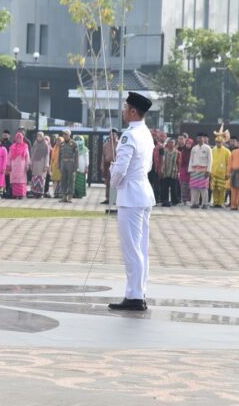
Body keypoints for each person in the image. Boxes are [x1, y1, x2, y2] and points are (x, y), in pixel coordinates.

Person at [108, 92, 156, 312]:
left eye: (126, 107)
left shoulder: (129, 136)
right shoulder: (146, 133)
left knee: (132, 249)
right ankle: (139, 291)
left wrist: (113, 180)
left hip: (131, 195)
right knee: (141, 248)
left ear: (133, 111)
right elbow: (146, 167)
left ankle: (135, 296)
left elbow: (120, 168)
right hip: (143, 191)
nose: (123, 111)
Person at [188, 132, 212, 209]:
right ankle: (194, 203)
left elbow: (210, 160)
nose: (199, 139)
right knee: (194, 188)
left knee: (204, 188)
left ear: (204, 139)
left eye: (201, 138)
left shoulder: (207, 148)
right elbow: (191, 159)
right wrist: (190, 170)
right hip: (194, 170)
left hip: (204, 170)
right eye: (198, 138)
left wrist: (208, 170)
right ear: (196, 139)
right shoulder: (194, 148)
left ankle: (205, 204)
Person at [211, 127, 231, 208]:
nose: (218, 143)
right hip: (214, 172)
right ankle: (215, 202)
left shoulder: (227, 151)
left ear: (222, 142)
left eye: (219, 142)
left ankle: (221, 202)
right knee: (214, 189)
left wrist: (227, 173)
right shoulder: (213, 150)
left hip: (223, 174)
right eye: (217, 142)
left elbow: (229, 163)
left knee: (222, 189)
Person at [7, 132, 30, 199]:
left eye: (20, 137)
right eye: (17, 137)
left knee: (21, 180)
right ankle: (15, 194)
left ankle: (22, 194)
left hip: (22, 166)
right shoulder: (12, 147)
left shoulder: (25, 146)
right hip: (13, 165)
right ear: (15, 138)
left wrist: (27, 165)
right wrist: (8, 165)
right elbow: (9, 157)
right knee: (15, 180)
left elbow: (27, 156)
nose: (19, 139)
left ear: (22, 138)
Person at [57, 130, 79, 203]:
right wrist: (59, 165)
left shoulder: (74, 144)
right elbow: (59, 155)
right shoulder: (61, 144)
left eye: (66, 134)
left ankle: (70, 196)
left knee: (71, 180)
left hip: (71, 163)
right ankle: (64, 196)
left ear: (69, 135)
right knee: (63, 180)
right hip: (63, 163)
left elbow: (76, 156)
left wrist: (76, 166)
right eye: (63, 134)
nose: (64, 135)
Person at [159, 138, 180, 207]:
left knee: (174, 188)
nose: (171, 144)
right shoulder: (164, 152)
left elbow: (179, 162)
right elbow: (161, 161)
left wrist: (178, 172)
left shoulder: (177, 152)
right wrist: (161, 170)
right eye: (169, 142)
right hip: (165, 172)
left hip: (173, 172)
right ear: (167, 143)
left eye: (172, 142)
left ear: (174, 144)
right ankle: (165, 200)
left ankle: (174, 201)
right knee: (164, 187)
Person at [29, 132, 49, 198]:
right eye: (38, 136)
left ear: (43, 137)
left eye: (40, 136)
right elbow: (32, 154)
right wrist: (31, 163)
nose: (38, 137)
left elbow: (47, 156)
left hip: (42, 163)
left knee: (41, 179)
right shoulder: (35, 144)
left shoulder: (45, 145)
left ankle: (40, 193)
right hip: (35, 163)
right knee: (35, 178)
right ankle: (35, 192)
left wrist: (46, 165)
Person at [101, 132, 116, 204]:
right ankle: (107, 198)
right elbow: (103, 156)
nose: (112, 135)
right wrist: (102, 165)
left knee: (114, 182)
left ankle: (113, 199)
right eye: (111, 134)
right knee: (107, 182)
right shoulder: (105, 145)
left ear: (116, 135)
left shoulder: (120, 144)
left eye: (114, 134)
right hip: (107, 164)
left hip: (116, 165)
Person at [178, 136, 192, 206]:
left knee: (190, 186)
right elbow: (181, 161)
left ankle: (190, 200)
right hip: (183, 170)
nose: (188, 145)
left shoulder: (193, 151)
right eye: (187, 143)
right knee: (183, 186)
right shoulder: (183, 151)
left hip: (191, 171)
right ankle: (183, 200)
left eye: (189, 144)